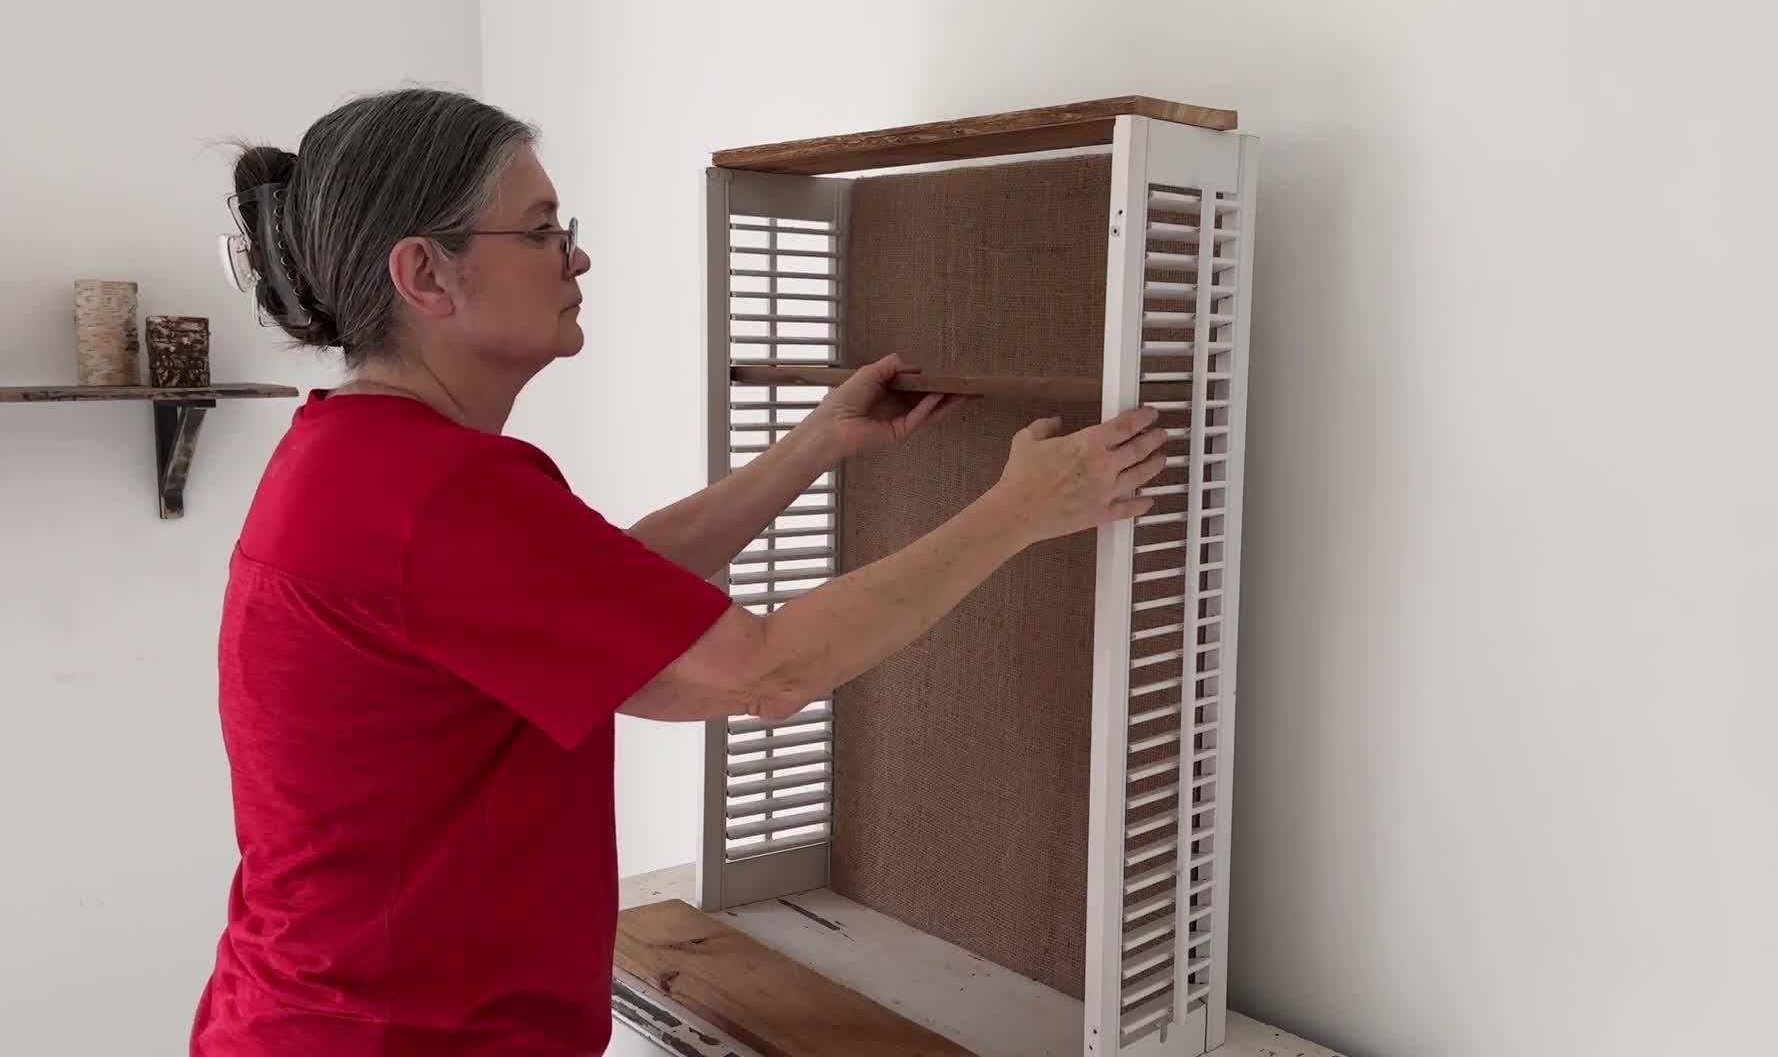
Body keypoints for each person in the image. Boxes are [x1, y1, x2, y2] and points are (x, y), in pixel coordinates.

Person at [189, 86, 1166, 1056]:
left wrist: (813, 447)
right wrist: (1018, 511)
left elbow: (607, 599)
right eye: (540, 230)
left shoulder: (355, 458)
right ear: (425, 274)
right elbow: (763, 671)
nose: (575, 256)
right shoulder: (436, 492)